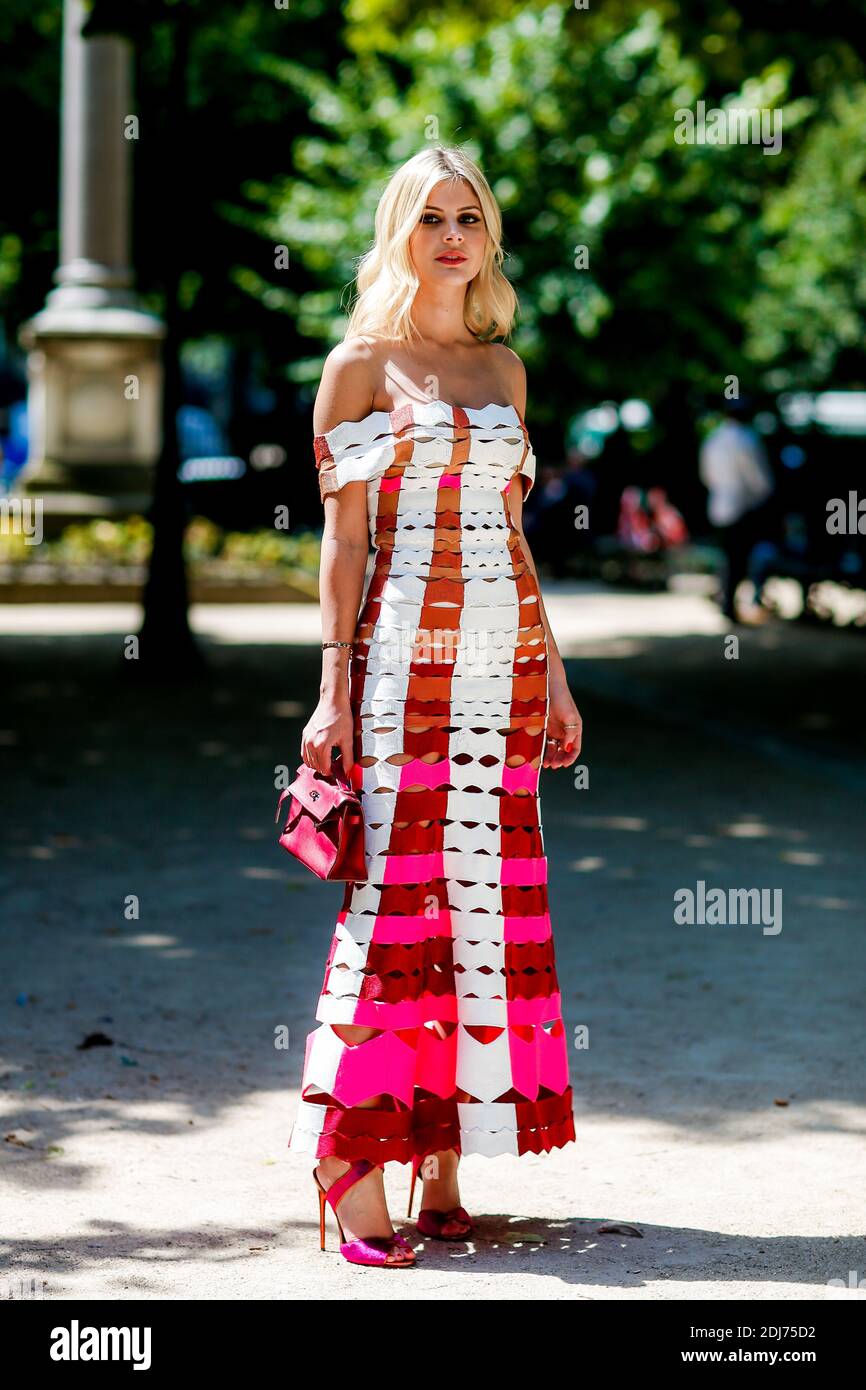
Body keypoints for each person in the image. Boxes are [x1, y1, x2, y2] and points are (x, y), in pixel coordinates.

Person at [288, 145, 581, 1268]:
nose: (451, 236)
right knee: (392, 906)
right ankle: (348, 1159)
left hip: (500, 674)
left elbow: (513, 537)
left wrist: (551, 672)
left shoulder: (503, 371)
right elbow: (345, 539)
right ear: (398, 231)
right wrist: (331, 692)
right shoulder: (358, 364)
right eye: (429, 217)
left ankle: (442, 1159)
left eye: (469, 218)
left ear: (488, 239)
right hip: (400, 668)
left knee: (480, 910)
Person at [698, 398, 776, 620]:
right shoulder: (746, 439)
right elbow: (759, 479)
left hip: (718, 505)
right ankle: (730, 603)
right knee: (739, 558)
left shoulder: (714, 439)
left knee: (728, 556)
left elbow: (706, 475)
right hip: (743, 506)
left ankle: (726, 599)